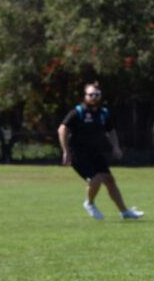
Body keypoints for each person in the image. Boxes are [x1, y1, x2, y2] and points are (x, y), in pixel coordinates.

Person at [57, 82, 144, 220]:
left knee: (109, 180)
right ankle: (90, 203)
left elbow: (111, 131)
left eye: (96, 95)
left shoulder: (103, 113)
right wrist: (66, 151)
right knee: (96, 179)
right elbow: (62, 129)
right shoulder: (78, 112)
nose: (93, 97)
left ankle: (124, 212)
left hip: (96, 153)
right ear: (85, 96)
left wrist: (115, 146)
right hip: (78, 153)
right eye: (90, 94)